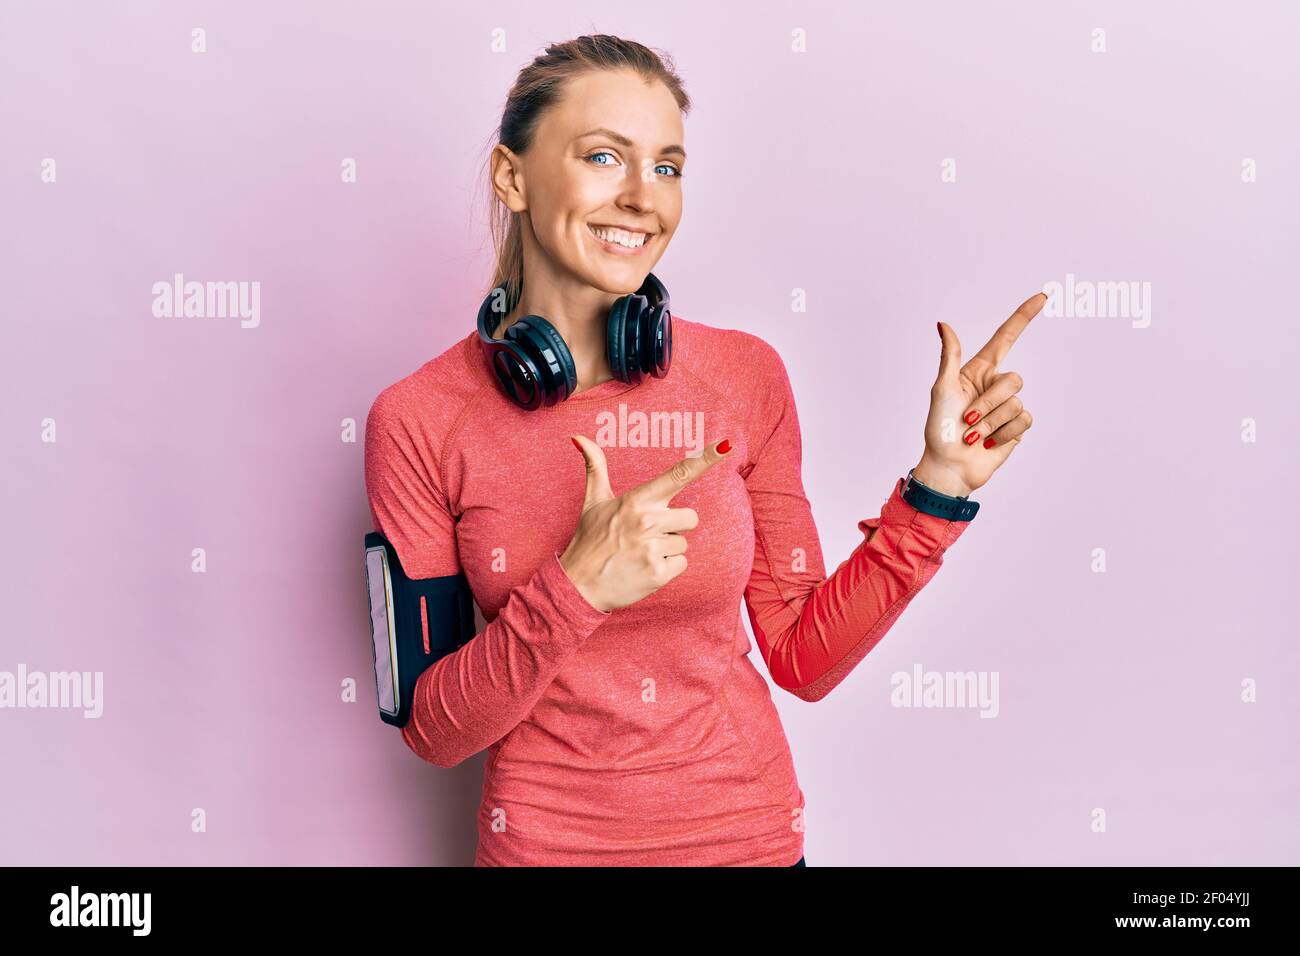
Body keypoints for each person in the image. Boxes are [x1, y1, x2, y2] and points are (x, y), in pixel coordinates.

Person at [363, 34, 1041, 867]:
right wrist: (575, 587)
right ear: (512, 177)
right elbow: (433, 731)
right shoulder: (419, 419)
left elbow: (803, 657)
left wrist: (938, 489)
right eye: (603, 156)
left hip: (748, 845)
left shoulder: (743, 376)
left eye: (668, 167)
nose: (642, 197)